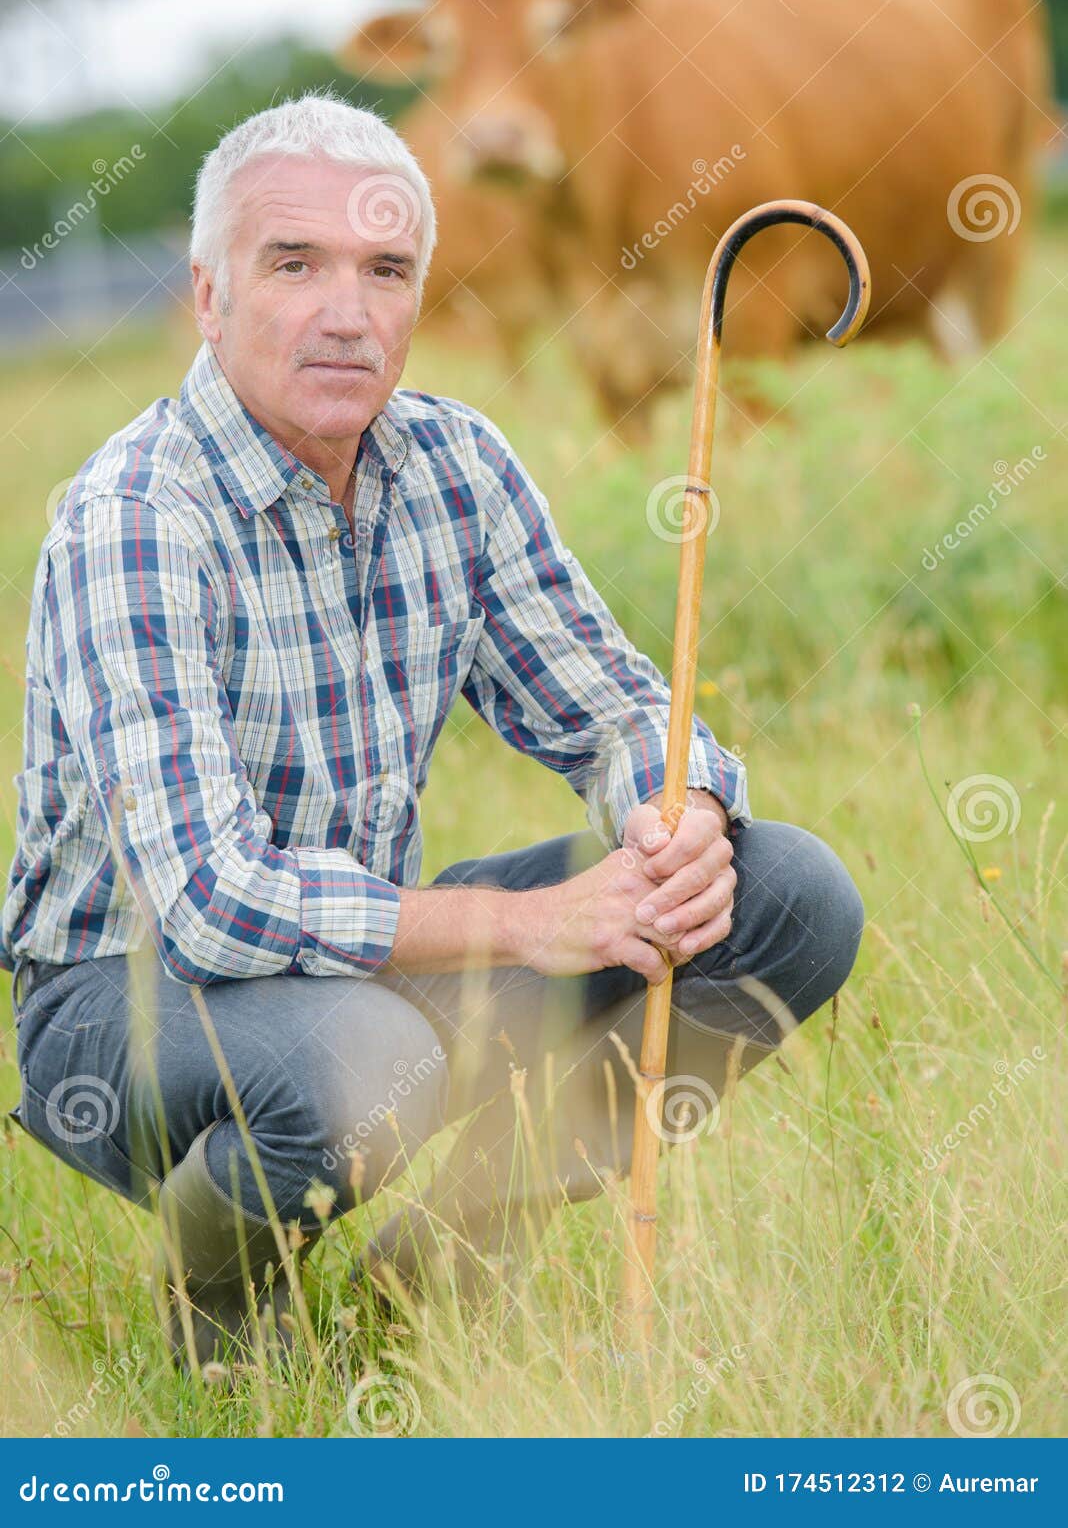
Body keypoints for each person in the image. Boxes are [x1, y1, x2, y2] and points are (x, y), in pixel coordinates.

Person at [1, 93, 864, 1372]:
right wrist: (530, 925)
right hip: (123, 992)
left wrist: (672, 808)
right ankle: (220, 1312)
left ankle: (431, 1279)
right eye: (295, 264)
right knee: (372, 1061)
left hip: (361, 961)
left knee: (788, 893)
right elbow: (212, 899)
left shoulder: (453, 462)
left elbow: (615, 705)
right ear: (210, 293)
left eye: (386, 269)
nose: (347, 310)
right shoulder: (135, 516)